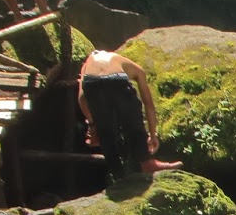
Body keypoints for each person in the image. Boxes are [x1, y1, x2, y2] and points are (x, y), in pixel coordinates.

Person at [77, 49, 183, 181]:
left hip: (91, 82)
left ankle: (117, 172)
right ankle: (146, 162)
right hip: (116, 79)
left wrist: (93, 124)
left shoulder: (86, 65)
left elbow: (81, 98)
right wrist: (152, 135)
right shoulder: (130, 65)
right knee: (133, 116)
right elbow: (148, 103)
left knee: (105, 131)